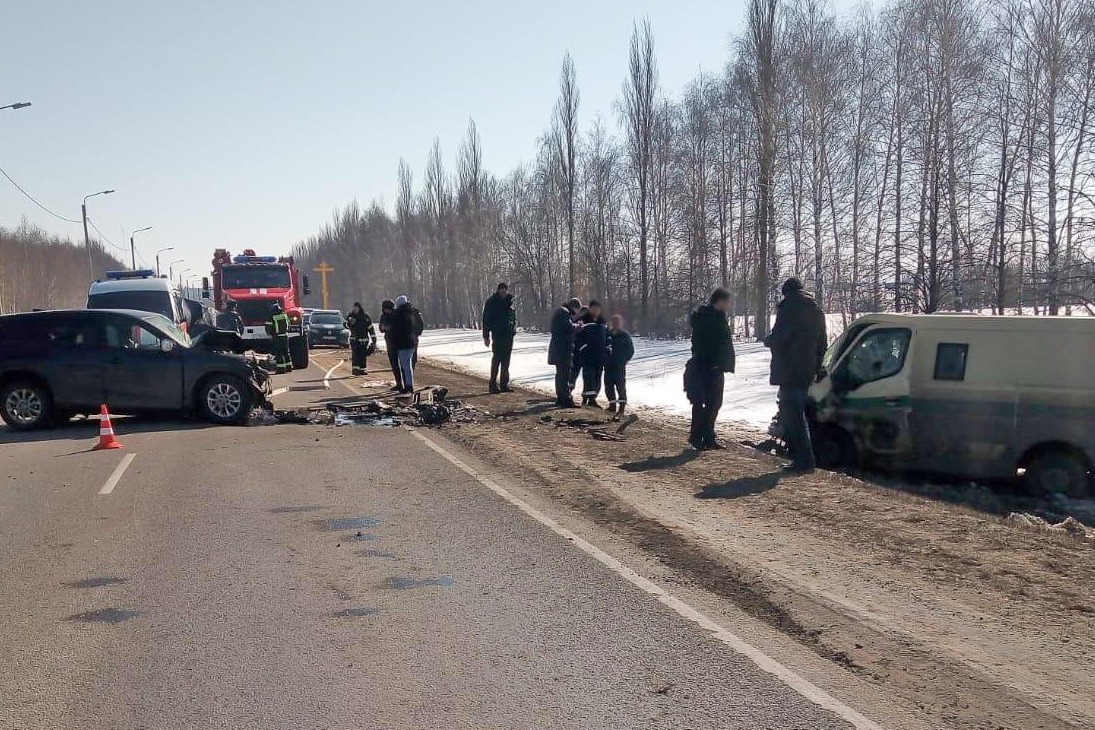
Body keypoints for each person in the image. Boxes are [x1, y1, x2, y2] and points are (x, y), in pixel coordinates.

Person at [765, 277, 828, 472]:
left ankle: (804, 461)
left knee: (792, 416)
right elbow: (823, 343)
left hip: (789, 369)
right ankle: (804, 459)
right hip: (806, 371)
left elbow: (782, 336)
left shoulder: (788, 308)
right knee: (798, 413)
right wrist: (816, 367)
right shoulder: (816, 310)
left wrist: (769, 341)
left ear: (787, 292)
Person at [686, 287, 735, 450]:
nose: (729, 305)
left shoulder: (719, 317)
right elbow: (700, 343)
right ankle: (696, 436)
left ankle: (708, 436)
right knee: (701, 402)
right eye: (728, 301)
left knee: (715, 403)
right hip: (704, 367)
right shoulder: (705, 317)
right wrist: (712, 361)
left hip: (716, 367)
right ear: (720, 301)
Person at [482, 283, 517, 394]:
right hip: (497, 334)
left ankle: (504, 384)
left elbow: (513, 317)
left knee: (506, 361)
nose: (503, 291)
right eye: (501, 289)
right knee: (497, 359)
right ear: (498, 290)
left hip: (508, 335)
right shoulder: (491, 302)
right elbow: (486, 319)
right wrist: (486, 336)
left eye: (505, 290)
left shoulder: (510, 301)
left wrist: (513, 330)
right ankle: (492, 385)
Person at [575, 300, 610, 407]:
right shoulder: (583, 320)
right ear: (590, 309)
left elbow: (608, 337)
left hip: (600, 355)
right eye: (594, 309)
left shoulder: (603, 322)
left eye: (598, 309)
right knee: (589, 376)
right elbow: (578, 337)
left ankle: (589, 397)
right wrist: (584, 348)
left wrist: (607, 349)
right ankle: (591, 400)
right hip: (588, 355)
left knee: (597, 377)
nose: (596, 311)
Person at [548, 298, 581, 408]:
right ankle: (565, 399)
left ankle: (561, 398)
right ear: (574, 307)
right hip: (563, 349)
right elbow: (568, 327)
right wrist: (578, 326)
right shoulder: (564, 313)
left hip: (558, 349)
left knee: (560, 375)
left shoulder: (561, 312)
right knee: (564, 375)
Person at [389, 295, 423, 393]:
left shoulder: (398, 314)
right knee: (409, 365)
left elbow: (395, 329)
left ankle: (408, 386)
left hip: (402, 343)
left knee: (406, 366)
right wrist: (415, 335)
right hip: (412, 342)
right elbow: (420, 325)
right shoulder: (414, 312)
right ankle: (408, 385)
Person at [605, 314, 634, 415]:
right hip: (608, 365)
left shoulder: (625, 336)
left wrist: (625, 360)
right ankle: (612, 405)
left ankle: (622, 407)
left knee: (620, 386)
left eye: (617, 322)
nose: (615, 324)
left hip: (619, 365)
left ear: (621, 323)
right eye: (614, 322)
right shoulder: (608, 334)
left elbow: (630, 350)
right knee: (608, 386)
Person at [345, 302, 377, 377]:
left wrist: (374, 339)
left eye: (356, 308)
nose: (355, 310)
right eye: (354, 308)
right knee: (355, 354)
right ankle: (355, 369)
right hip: (354, 339)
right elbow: (345, 325)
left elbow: (370, 328)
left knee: (363, 355)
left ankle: (362, 369)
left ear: (360, 308)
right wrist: (349, 323)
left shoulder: (365, 317)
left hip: (364, 340)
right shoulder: (351, 316)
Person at [378, 299, 403, 392]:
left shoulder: (397, 315)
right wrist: (383, 327)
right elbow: (381, 328)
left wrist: (390, 327)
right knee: (394, 364)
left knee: (402, 364)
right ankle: (398, 383)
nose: (386, 311)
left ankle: (404, 383)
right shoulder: (383, 316)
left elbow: (399, 327)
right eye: (385, 309)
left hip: (398, 341)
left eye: (388, 309)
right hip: (389, 342)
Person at [265, 302, 292, 374]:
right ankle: (289, 367)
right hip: (285, 336)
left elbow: (268, 328)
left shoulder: (272, 317)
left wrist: (271, 335)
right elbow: (289, 325)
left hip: (278, 337)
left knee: (279, 353)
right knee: (286, 352)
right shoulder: (284, 315)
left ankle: (281, 369)